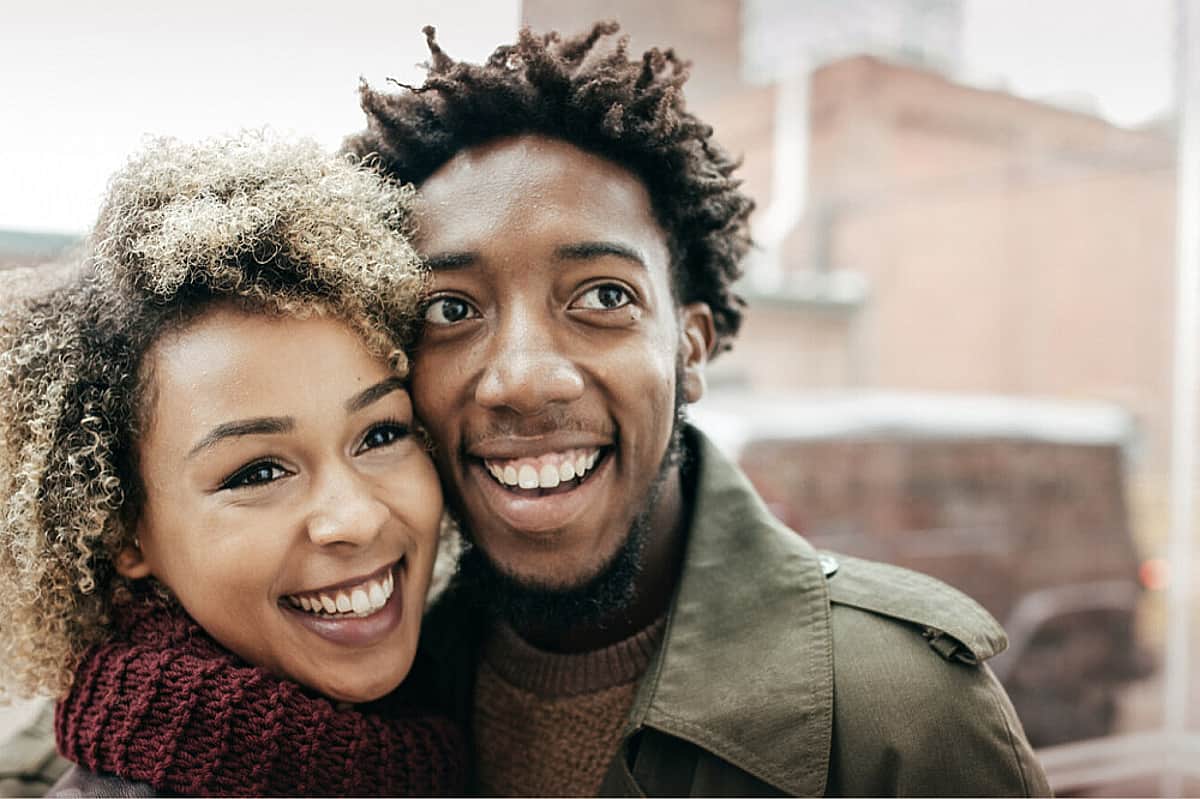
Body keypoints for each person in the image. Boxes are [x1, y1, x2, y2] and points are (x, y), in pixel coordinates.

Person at [342, 22, 1053, 796]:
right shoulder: (362, 691)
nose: (523, 380)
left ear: (691, 347)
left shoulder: (905, 711)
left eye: (604, 296)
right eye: (450, 310)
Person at [0, 133, 464, 796]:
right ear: (121, 529)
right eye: (258, 473)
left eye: (380, 433)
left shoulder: (428, 725)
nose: (355, 518)